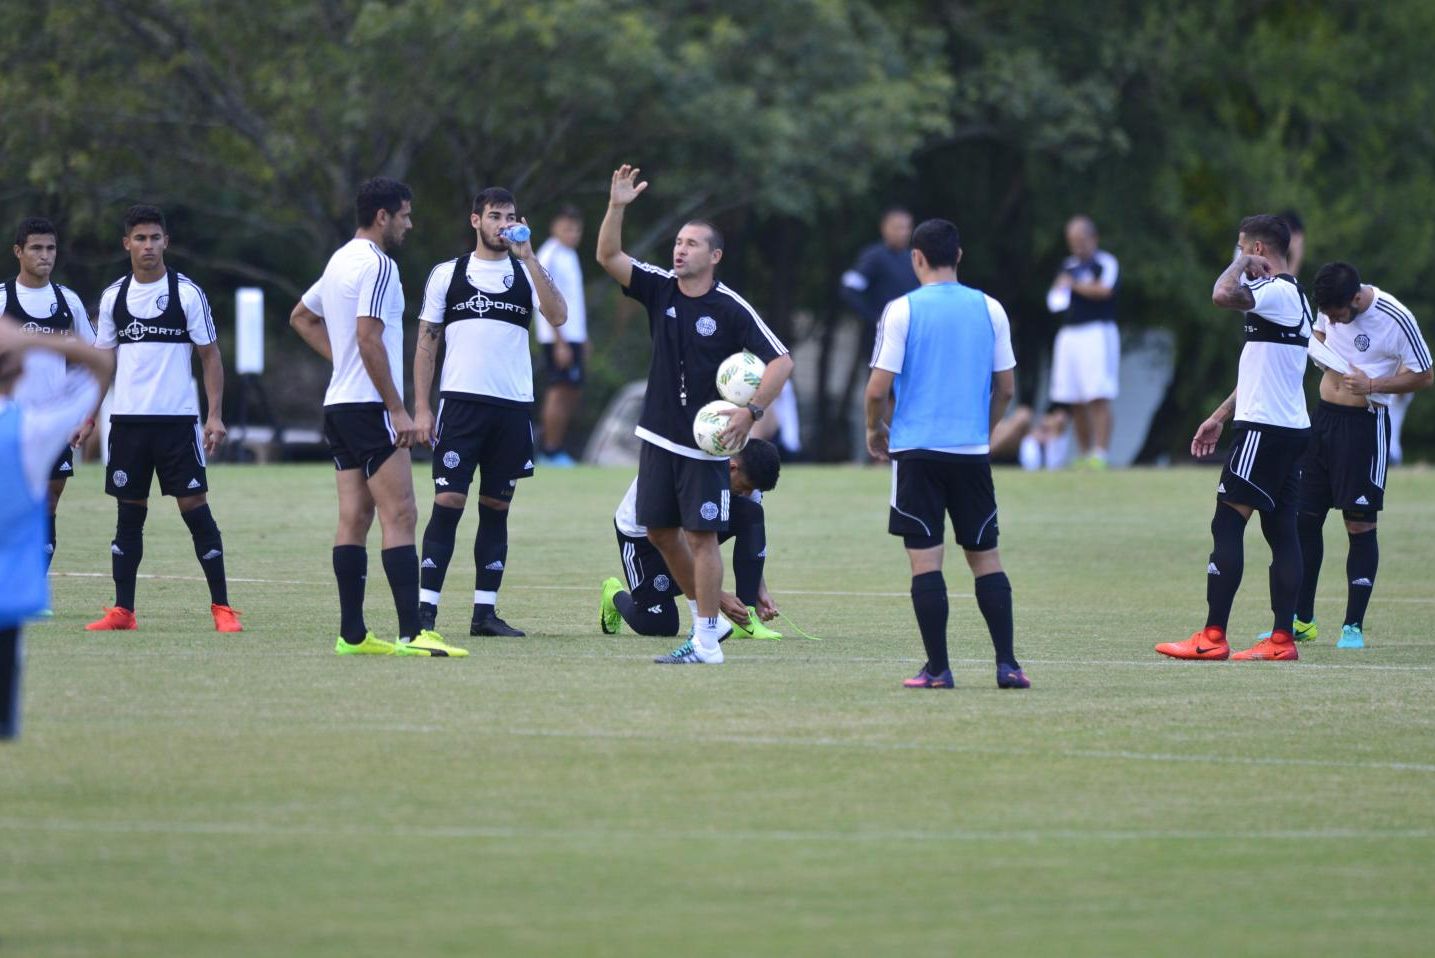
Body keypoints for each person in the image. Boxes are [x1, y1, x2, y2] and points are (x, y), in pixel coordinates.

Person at [596, 164, 793, 665]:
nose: (680, 250)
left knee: (702, 538)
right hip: (656, 438)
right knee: (660, 532)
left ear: (714, 256)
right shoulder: (659, 287)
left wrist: (751, 412)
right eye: (678, 242)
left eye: (692, 244)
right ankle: (710, 623)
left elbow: (781, 361)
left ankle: (705, 641)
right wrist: (617, 207)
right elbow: (608, 256)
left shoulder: (730, 307)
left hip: (704, 445)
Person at [289, 178, 465, 658]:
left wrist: (344, 363)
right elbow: (368, 337)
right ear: (382, 216)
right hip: (370, 407)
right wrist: (397, 408)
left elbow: (301, 316)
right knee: (401, 513)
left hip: (339, 404)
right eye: (404, 215)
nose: (410, 224)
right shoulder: (379, 265)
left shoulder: (339, 260)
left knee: (354, 517)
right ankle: (412, 634)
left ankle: (352, 636)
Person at [864, 217, 1028, 690]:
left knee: (926, 561)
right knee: (986, 558)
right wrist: (985, 431)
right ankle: (1008, 665)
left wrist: (874, 429)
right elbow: (1006, 387)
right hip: (970, 453)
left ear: (915, 257)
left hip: (916, 452)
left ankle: (938, 669)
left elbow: (877, 390)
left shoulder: (901, 310)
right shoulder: (990, 309)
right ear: (958, 256)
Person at [412, 188, 567, 638]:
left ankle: (485, 614)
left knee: (497, 506)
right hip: (461, 404)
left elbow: (558, 316)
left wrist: (530, 257)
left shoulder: (526, 272)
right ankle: (424, 612)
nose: (503, 224)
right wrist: (421, 407)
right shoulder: (448, 273)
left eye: (510, 216)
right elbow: (426, 345)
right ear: (475, 220)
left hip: (512, 408)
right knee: (448, 502)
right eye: (495, 216)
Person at [1158, 214, 1313, 662]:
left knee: (1226, 523)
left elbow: (1221, 294)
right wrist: (1221, 415)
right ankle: (1281, 640)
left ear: (1258, 250)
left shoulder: (1275, 290)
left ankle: (1212, 636)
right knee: (1282, 532)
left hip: (1264, 430)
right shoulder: (1294, 296)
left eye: (1243, 247)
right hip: (1288, 429)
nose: (1239, 255)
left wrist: (1242, 263)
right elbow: (1264, 368)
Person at [87, 205, 242, 634]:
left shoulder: (187, 294)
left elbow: (210, 356)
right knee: (128, 514)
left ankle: (222, 608)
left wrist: (214, 416)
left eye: (155, 238)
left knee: (195, 509)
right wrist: (88, 416)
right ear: (127, 244)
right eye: (140, 238)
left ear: (166, 242)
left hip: (177, 423)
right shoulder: (114, 297)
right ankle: (123, 611)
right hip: (128, 424)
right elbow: (103, 363)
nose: (148, 246)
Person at [1282, 262, 1431, 649]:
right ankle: (1302, 620)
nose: (1332, 320)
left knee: (1359, 524)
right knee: (1304, 520)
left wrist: (1373, 383)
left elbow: (1425, 374)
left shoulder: (1396, 317)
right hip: (1322, 422)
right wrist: (1319, 350)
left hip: (1365, 427)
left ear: (1355, 298)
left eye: (1337, 314)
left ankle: (1353, 626)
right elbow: (1318, 333)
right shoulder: (1330, 302)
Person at [0, 319, 113, 739]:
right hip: (7, 601)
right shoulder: (30, 432)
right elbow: (102, 364)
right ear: (17, 366)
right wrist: (28, 337)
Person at [600, 437, 783, 640]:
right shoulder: (695, 474)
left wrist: (758, 590)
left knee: (751, 513)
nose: (747, 493)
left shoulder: (746, 481)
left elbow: (751, 538)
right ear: (732, 467)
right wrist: (718, 597)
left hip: (685, 528)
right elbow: (678, 541)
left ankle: (747, 620)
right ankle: (613, 593)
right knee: (659, 625)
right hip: (645, 536)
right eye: (745, 487)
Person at [3, 217, 96, 585]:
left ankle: (32, 585)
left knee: (48, 503)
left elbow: (94, 355)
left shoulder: (67, 301)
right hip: (9, 422)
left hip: (54, 424)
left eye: (51, 248)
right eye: (37, 248)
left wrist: (84, 413)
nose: (45, 255)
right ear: (18, 251)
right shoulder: (3, 298)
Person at [1045, 216, 1120, 468]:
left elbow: (1104, 290)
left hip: (1097, 331)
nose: (1077, 246)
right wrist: (1064, 287)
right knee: (1074, 396)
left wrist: (1075, 286)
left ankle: (1101, 453)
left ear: (1093, 238)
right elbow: (1056, 297)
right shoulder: (1068, 265)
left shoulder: (1105, 262)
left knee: (1098, 393)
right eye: (1073, 241)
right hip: (1069, 333)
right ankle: (1085, 452)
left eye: (1081, 240)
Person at [534, 206, 587, 467]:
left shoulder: (570, 254)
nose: (573, 234)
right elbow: (543, 299)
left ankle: (556, 447)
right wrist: (560, 341)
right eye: (567, 228)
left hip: (574, 336)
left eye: (577, 229)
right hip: (558, 338)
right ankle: (549, 449)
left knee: (570, 391)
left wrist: (583, 338)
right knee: (558, 390)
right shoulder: (549, 254)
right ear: (554, 227)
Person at [842, 206, 919, 347]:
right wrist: (875, 318)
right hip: (878, 338)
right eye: (899, 227)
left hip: (908, 335)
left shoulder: (914, 259)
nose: (904, 232)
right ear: (885, 228)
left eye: (907, 228)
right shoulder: (874, 257)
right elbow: (850, 289)